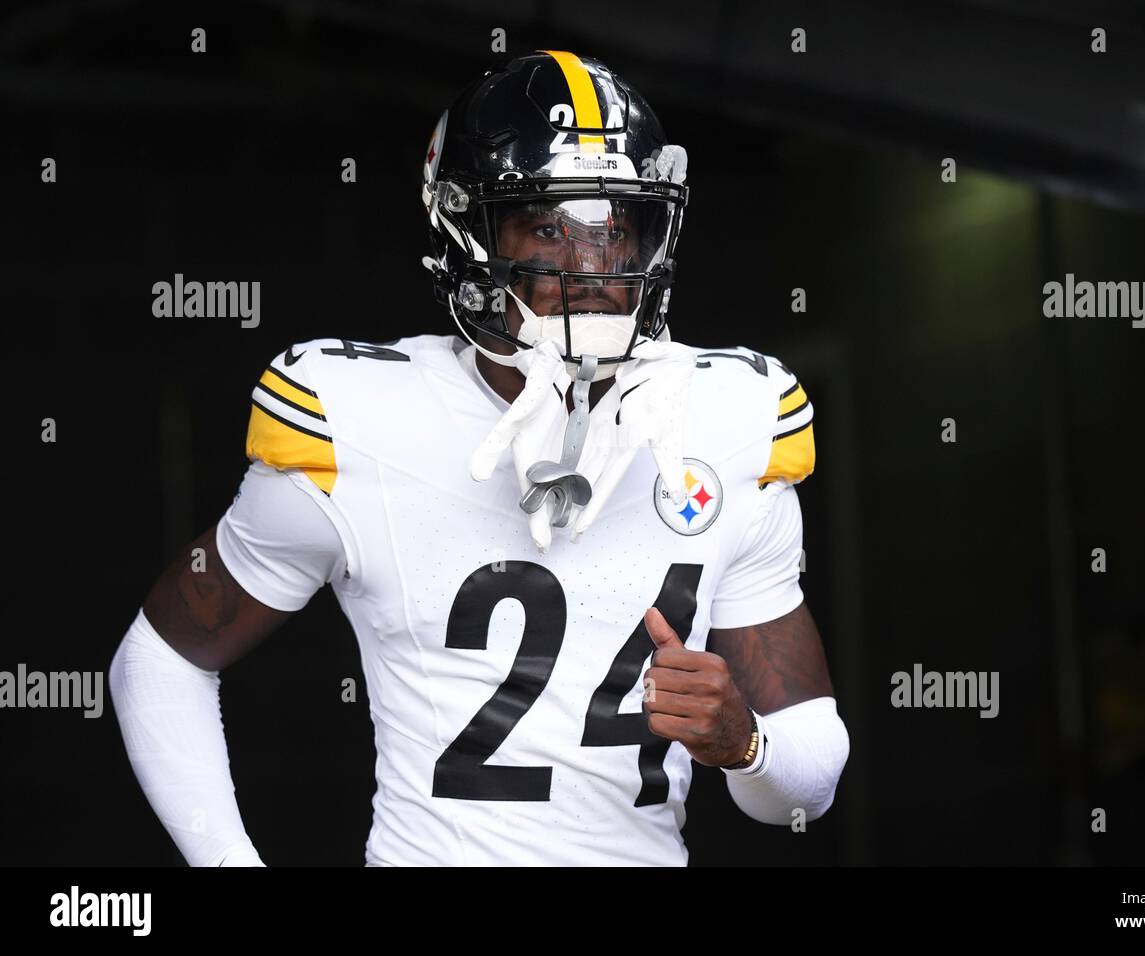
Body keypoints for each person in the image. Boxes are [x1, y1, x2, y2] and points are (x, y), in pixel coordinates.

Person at [109, 50, 849, 866]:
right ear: (469, 234)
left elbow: (805, 783)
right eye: (548, 226)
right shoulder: (361, 419)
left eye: (617, 228)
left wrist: (745, 746)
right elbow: (163, 657)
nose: (593, 267)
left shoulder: (728, 420)